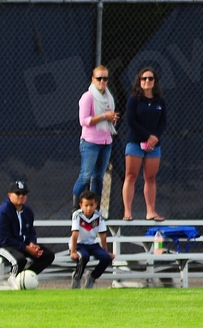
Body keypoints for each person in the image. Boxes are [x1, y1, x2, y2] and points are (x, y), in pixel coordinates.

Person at [121, 67, 167, 221]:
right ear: (139, 81)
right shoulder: (134, 99)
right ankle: (127, 212)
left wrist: (155, 138)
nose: (147, 81)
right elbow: (131, 121)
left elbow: (163, 122)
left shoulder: (160, 101)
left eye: (150, 78)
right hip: (135, 142)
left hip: (154, 145)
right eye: (144, 79)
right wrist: (147, 136)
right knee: (131, 176)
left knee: (150, 177)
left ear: (155, 82)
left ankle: (151, 212)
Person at [0, 180, 55, 275]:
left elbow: (31, 232)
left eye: (24, 193)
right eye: (18, 193)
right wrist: (26, 248)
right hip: (1, 247)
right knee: (19, 261)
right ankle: (12, 283)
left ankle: (25, 278)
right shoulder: (2, 213)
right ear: (9, 195)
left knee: (48, 256)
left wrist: (32, 244)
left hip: (21, 245)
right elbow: (5, 240)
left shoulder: (28, 211)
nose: (21, 196)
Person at [74, 66, 117, 202]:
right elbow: (84, 121)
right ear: (93, 79)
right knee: (86, 176)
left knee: (99, 177)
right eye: (99, 78)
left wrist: (112, 119)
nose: (102, 81)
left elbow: (109, 121)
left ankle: (95, 207)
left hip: (106, 142)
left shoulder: (108, 98)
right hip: (90, 142)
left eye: (105, 78)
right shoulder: (87, 97)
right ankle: (76, 207)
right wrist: (104, 116)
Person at [69, 191, 114, 289]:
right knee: (84, 257)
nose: (89, 208)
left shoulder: (98, 216)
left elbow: (103, 235)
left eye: (91, 205)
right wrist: (72, 251)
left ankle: (92, 277)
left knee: (107, 258)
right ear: (81, 205)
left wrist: (105, 251)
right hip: (79, 245)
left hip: (92, 245)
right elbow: (75, 234)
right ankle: (77, 277)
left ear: (96, 205)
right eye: (86, 205)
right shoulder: (77, 215)